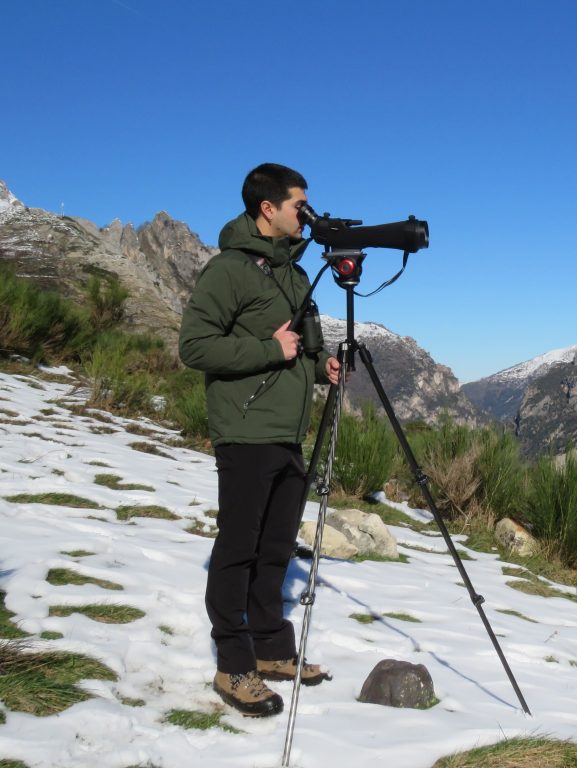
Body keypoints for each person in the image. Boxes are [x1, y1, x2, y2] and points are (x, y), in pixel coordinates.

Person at [179, 163, 342, 717]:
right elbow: (195, 348)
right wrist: (270, 351)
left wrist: (325, 368)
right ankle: (233, 665)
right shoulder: (228, 270)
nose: (309, 214)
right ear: (267, 209)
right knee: (239, 548)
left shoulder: (294, 274)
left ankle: (272, 650)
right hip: (245, 431)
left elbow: (304, 350)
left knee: (275, 549)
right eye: (301, 204)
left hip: (288, 434)